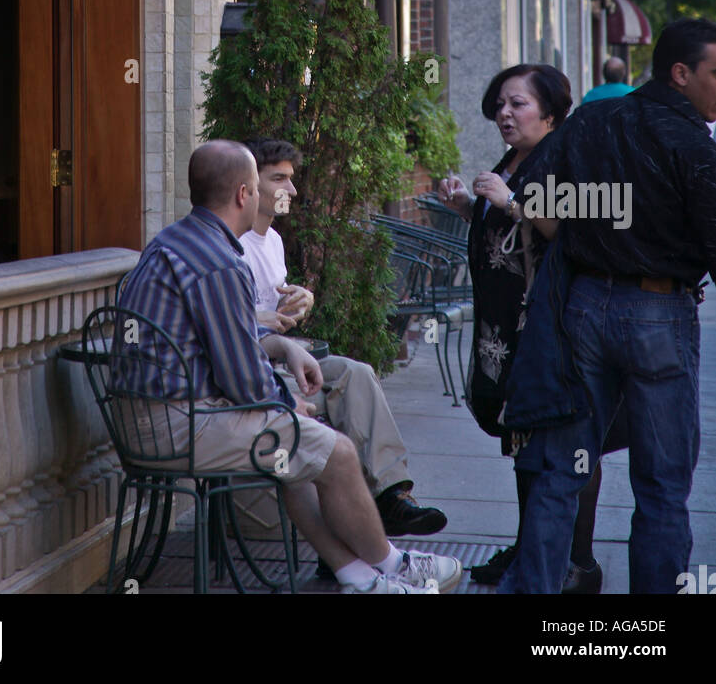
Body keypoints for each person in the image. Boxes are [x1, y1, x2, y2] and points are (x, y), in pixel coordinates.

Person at [118, 139, 462, 594]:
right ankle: (392, 563)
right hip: (178, 424)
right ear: (244, 193)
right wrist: (285, 406)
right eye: (264, 186)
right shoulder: (218, 261)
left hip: (149, 418)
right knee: (334, 450)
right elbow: (242, 376)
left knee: (293, 458)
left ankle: (358, 576)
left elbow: (224, 344)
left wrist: (280, 356)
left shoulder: (176, 240)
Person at [496, 18, 716, 595]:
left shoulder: (592, 119)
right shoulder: (693, 144)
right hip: (658, 314)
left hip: (585, 307)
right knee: (662, 485)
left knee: (560, 470)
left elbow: (534, 194)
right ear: (681, 72)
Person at [439, 63, 620, 593]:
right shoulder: (517, 156)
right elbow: (508, 232)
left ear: (551, 112)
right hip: (504, 332)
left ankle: (575, 564)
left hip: (542, 328)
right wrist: (467, 206)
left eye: (517, 104)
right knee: (523, 444)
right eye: (499, 104)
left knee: (558, 444)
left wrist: (510, 201)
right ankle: (532, 550)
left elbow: (563, 227)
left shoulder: (561, 156)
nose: (504, 113)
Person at [240, 137, 448, 538]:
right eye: (278, 179)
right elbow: (227, 321)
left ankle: (393, 495)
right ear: (248, 186)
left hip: (281, 357)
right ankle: (354, 531)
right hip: (252, 372)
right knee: (337, 410)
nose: (292, 190)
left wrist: (300, 301)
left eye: (292, 178)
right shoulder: (231, 244)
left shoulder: (275, 241)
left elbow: (277, 312)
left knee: (356, 373)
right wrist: (261, 319)